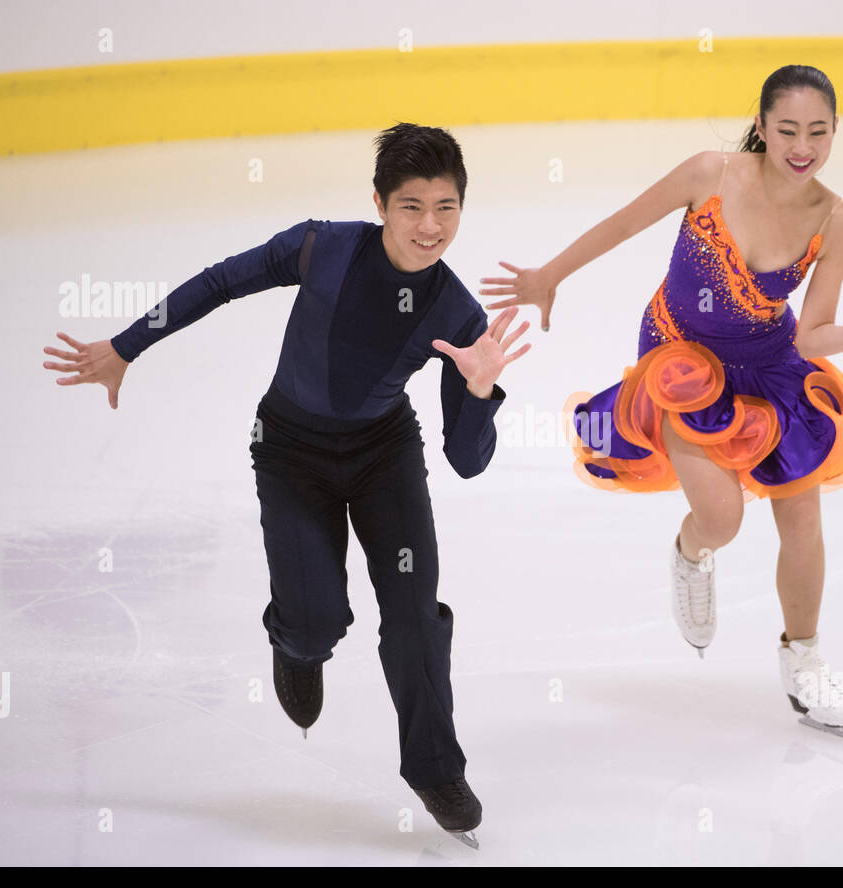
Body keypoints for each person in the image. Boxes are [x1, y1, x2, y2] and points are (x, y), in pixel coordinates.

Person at [42, 122, 530, 846]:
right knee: (316, 620)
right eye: (411, 207)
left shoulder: (460, 316)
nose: (430, 227)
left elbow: (466, 459)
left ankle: (432, 766)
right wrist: (126, 346)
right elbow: (221, 281)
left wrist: (482, 392)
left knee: (412, 613)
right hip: (292, 452)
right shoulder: (322, 247)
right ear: (379, 203)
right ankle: (296, 644)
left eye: (447, 208)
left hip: (383, 458)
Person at [480, 66, 843, 741]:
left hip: (773, 361)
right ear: (760, 123)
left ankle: (804, 661)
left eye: (818, 131)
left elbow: (812, 333)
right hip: (680, 355)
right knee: (720, 519)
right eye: (787, 129)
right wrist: (549, 275)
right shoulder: (709, 174)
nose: (802, 145)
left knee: (802, 515)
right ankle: (691, 553)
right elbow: (623, 223)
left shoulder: (838, 220)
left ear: (836, 131)